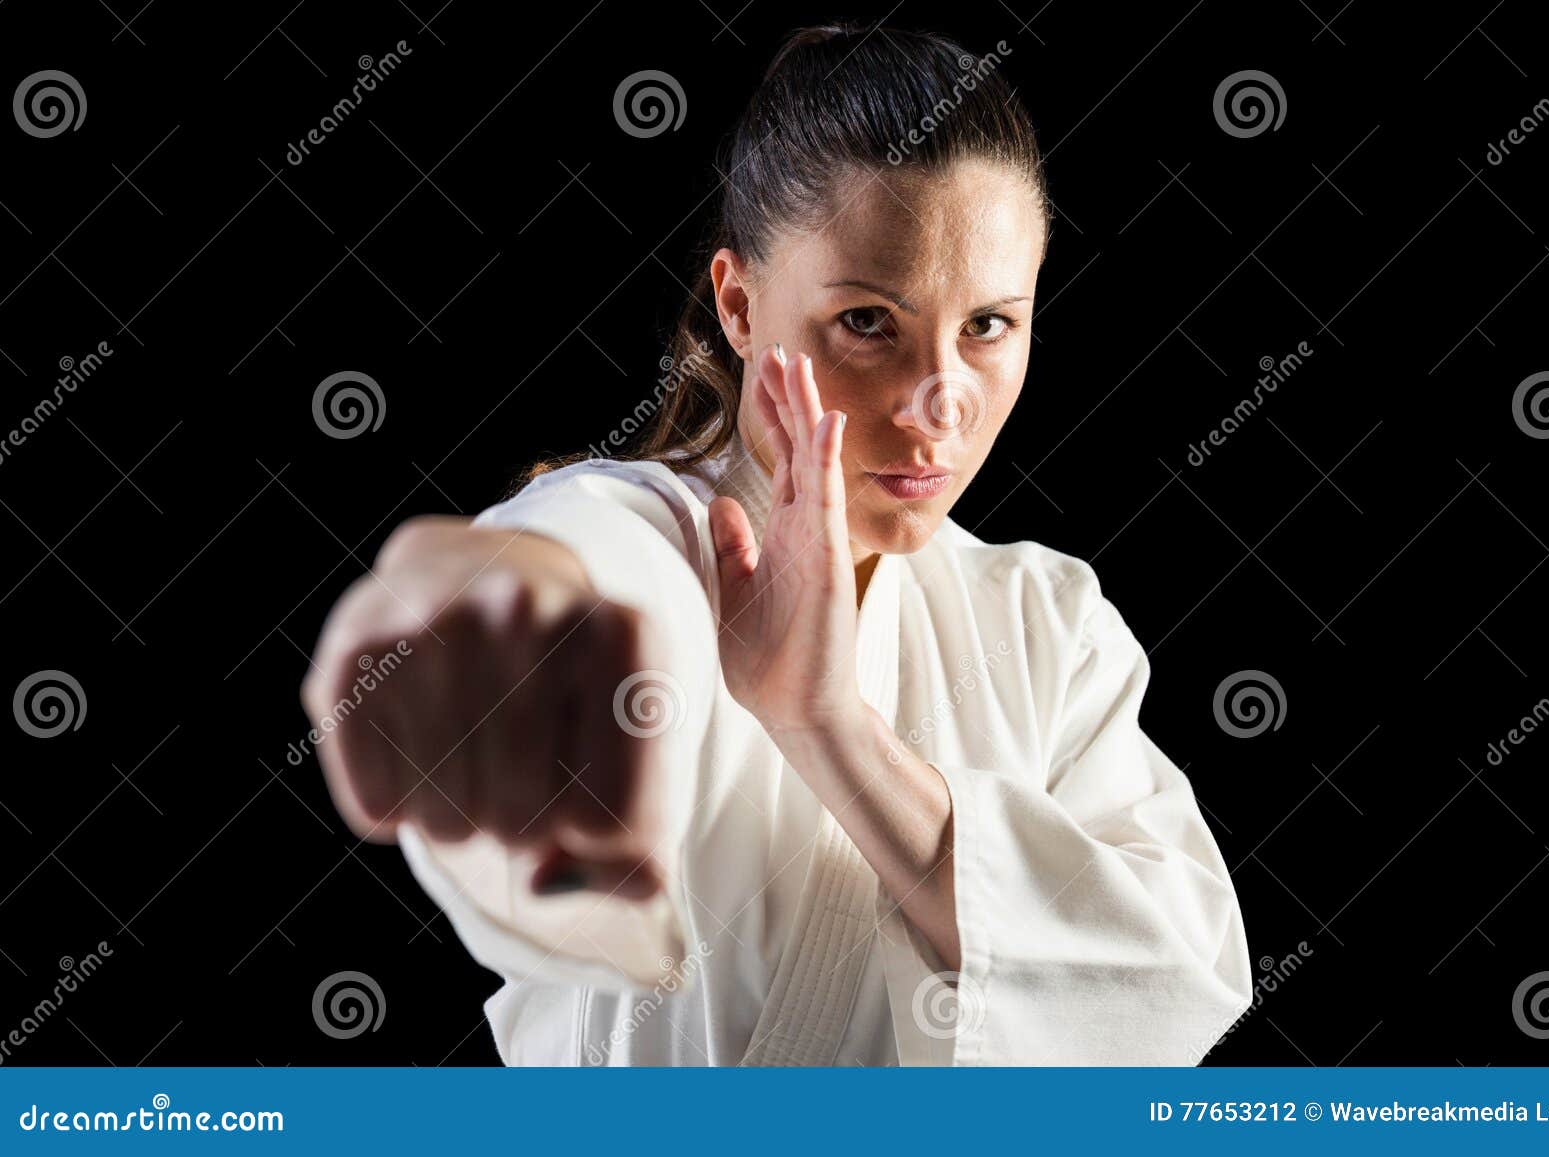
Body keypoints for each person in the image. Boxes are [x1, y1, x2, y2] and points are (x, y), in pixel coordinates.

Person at [303, 23, 1251, 1066]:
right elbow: (577, 574)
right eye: (868, 322)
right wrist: (488, 633)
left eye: (987, 325)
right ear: (741, 305)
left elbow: (1170, 986)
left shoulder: (1044, 626)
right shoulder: (653, 538)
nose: (939, 403)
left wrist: (831, 728)